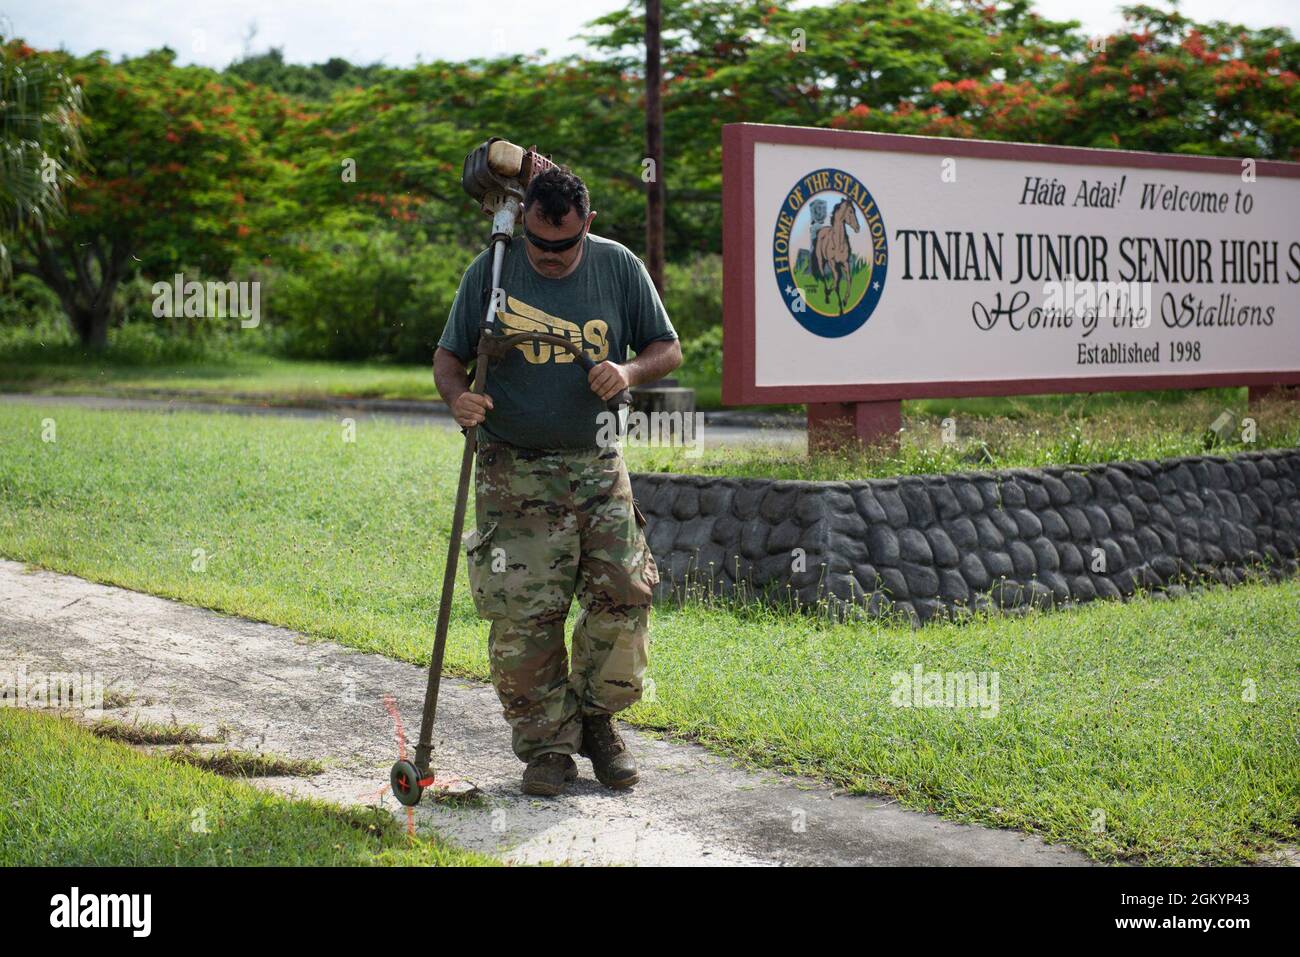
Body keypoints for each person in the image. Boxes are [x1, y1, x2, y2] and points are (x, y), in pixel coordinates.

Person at [434, 166, 681, 796]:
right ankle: (547, 749)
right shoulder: (491, 270)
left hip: (598, 464)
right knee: (524, 616)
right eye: (538, 243)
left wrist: (627, 371)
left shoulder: (618, 267)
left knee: (624, 595)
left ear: (587, 226)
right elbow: (448, 356)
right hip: (513, 468)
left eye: (562, 245)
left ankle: (598, 724)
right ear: (523, 224)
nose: (547, 256)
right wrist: (459, 399)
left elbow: (667, 348)